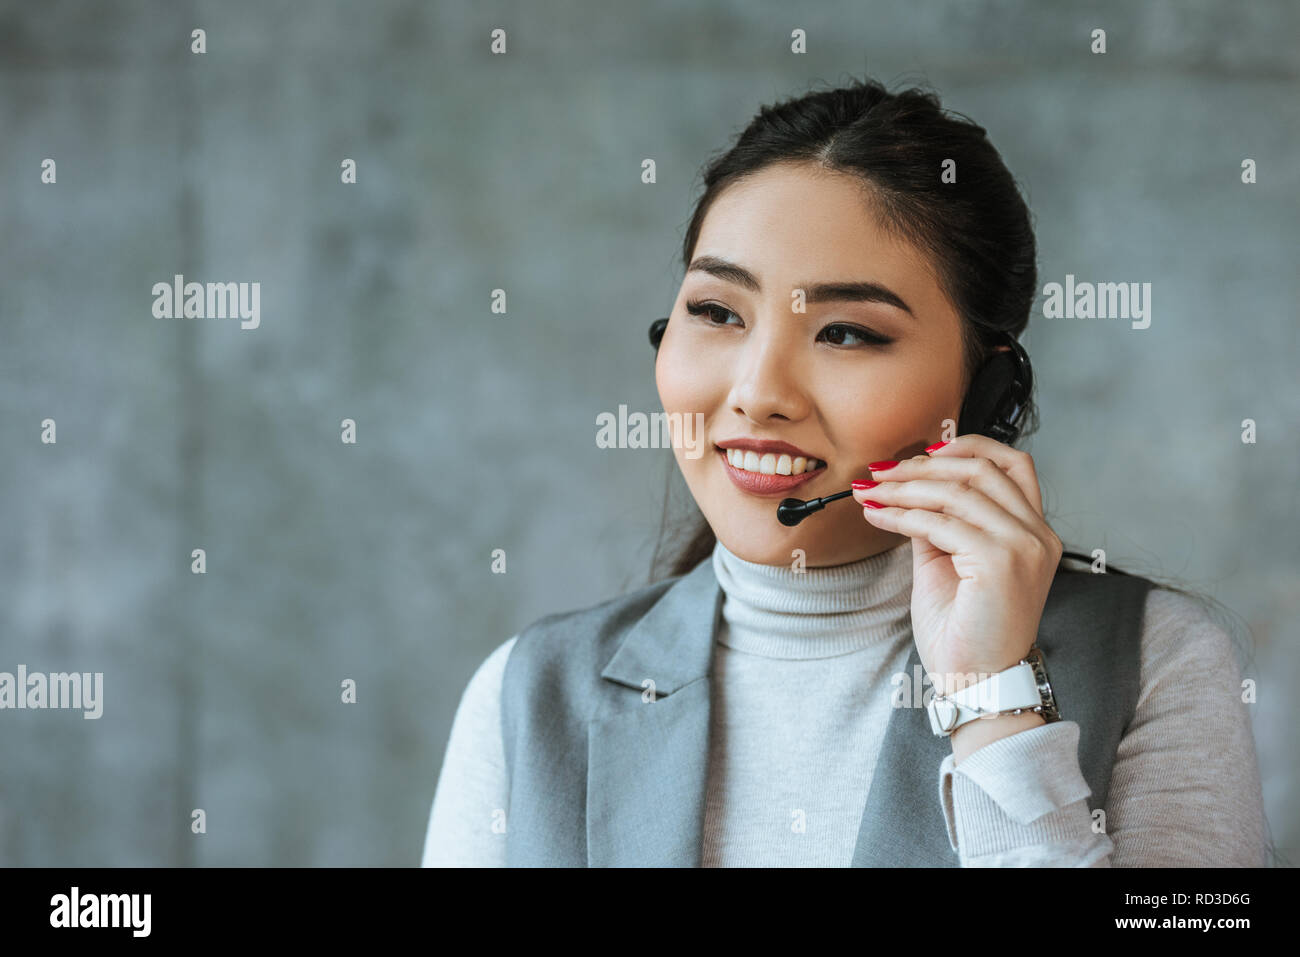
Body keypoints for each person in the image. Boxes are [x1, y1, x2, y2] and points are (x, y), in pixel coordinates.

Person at [421, 76, 1270, 867]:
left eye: (847, 333)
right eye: (717, 312)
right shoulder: (528, 696)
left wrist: (995, 703)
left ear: (984, 389)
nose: (758, 393)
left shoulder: (1158, 659)